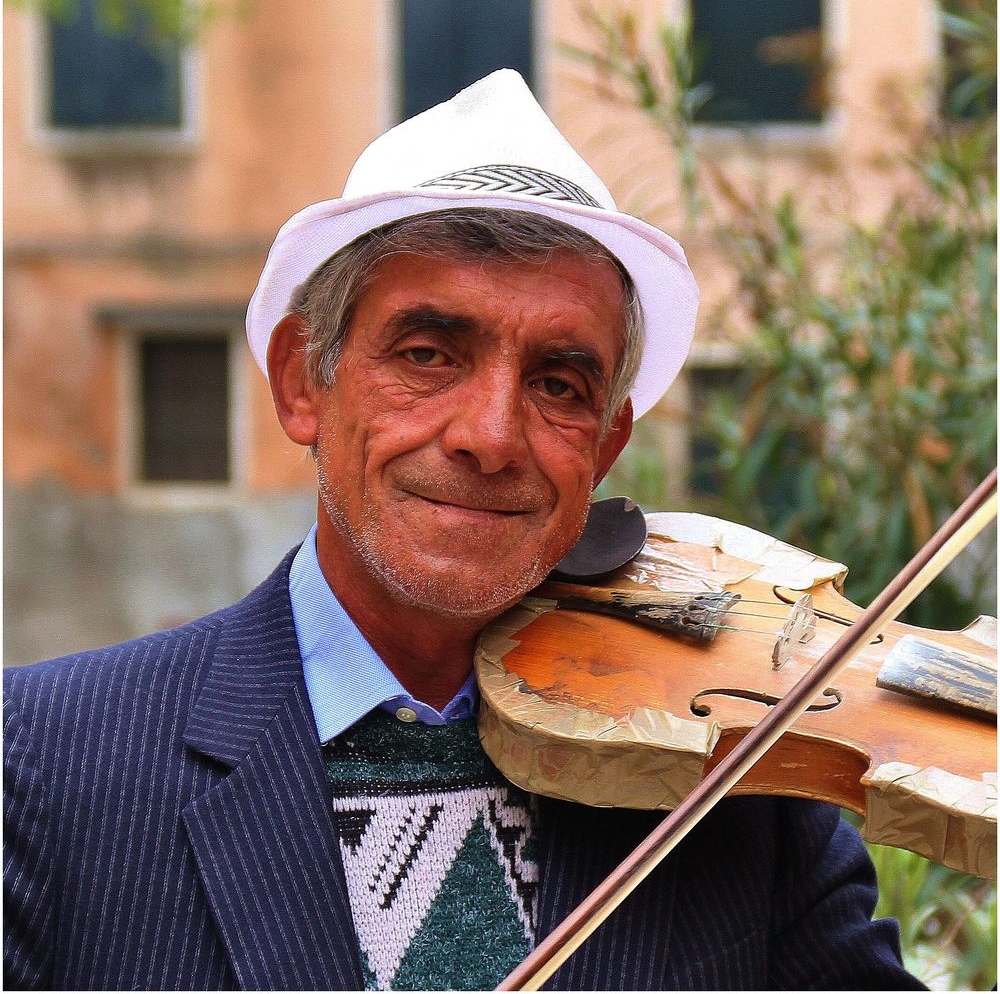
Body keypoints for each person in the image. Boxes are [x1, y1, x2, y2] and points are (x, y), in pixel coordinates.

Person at [4, 70, 922, 991]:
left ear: (605, 445)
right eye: (428, 355)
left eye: (558, 384)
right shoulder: (43, 760)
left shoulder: (734, 775)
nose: (490, 436)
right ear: (301, 383)